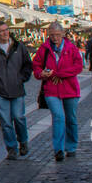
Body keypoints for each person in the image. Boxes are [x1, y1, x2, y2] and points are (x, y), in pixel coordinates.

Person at [0, 21, 32, 160]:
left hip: (17, 88)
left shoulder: (18, 47)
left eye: (6, 30)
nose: (5, 33)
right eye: (1, 31)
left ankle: (23, 141)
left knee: (19, 118)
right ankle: (12, 148)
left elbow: (27, 64)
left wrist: (22, 77)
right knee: (5, 122)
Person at [34, 22, 83, 161]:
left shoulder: (71, 48)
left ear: (63, 34)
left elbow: (78, 67)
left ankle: (71, 146)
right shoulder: (44, 49)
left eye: (57, 35)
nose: (55, 38)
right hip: (51, 90)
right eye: (52, 35)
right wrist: (41, 74)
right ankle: (59, 149)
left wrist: (58, 74)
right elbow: (36, 66)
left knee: (71, 119)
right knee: (58, 117)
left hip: (70, 89)